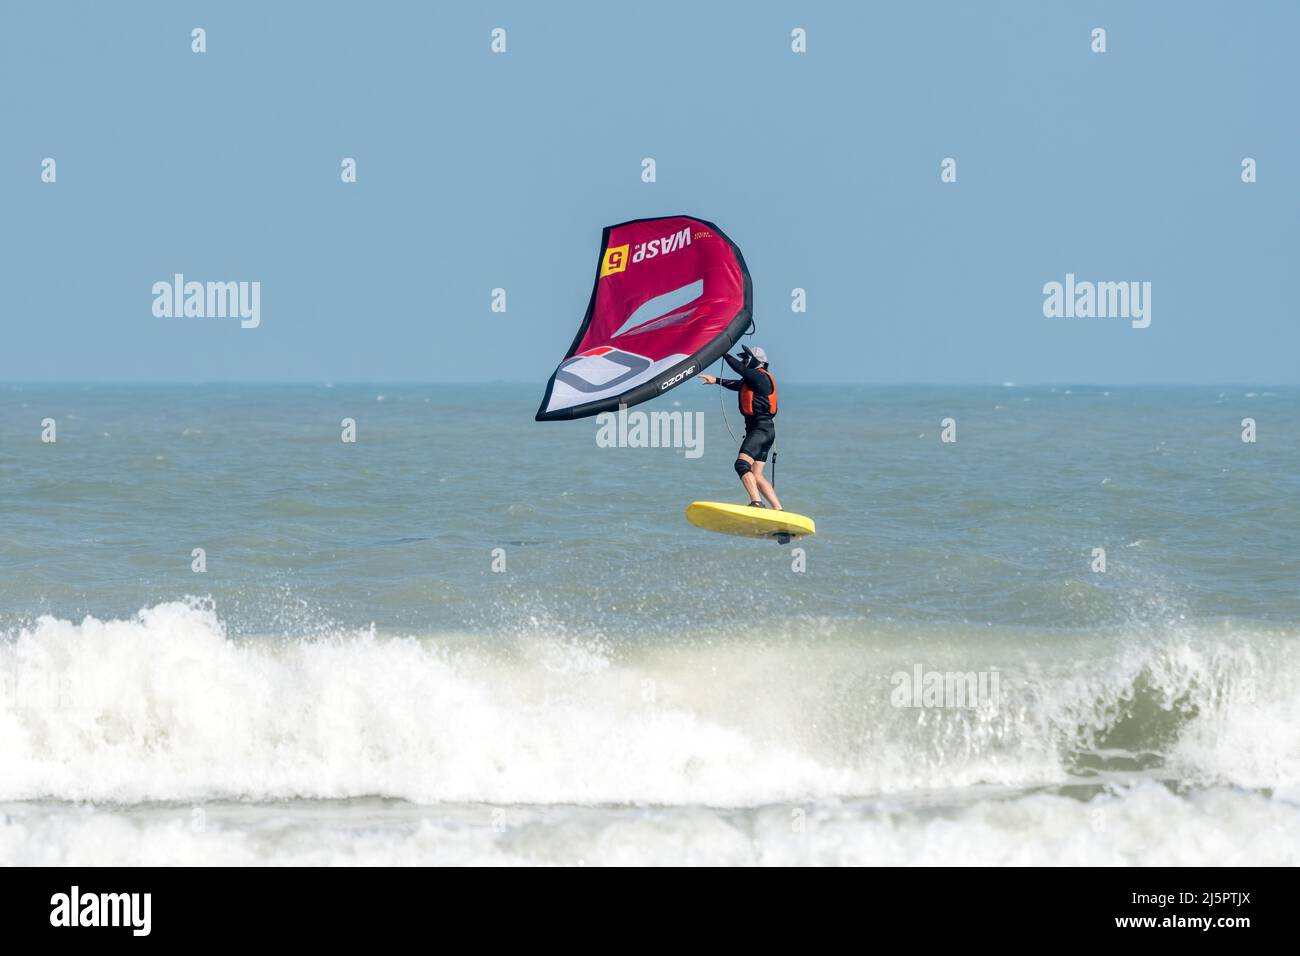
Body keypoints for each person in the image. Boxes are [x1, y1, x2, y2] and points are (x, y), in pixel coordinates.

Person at [697, 345, 782, 510]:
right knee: (756, 475)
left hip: (760, 430)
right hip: (765, 431)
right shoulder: (754, 380)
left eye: (746, 358)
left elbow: (740, 370)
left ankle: (756, 503)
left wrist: (722, 351)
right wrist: (716, 380)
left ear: (755, 361)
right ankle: (778, 509)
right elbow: (738, 385)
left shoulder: (760, 378)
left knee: (741, 465)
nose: (743, 361)